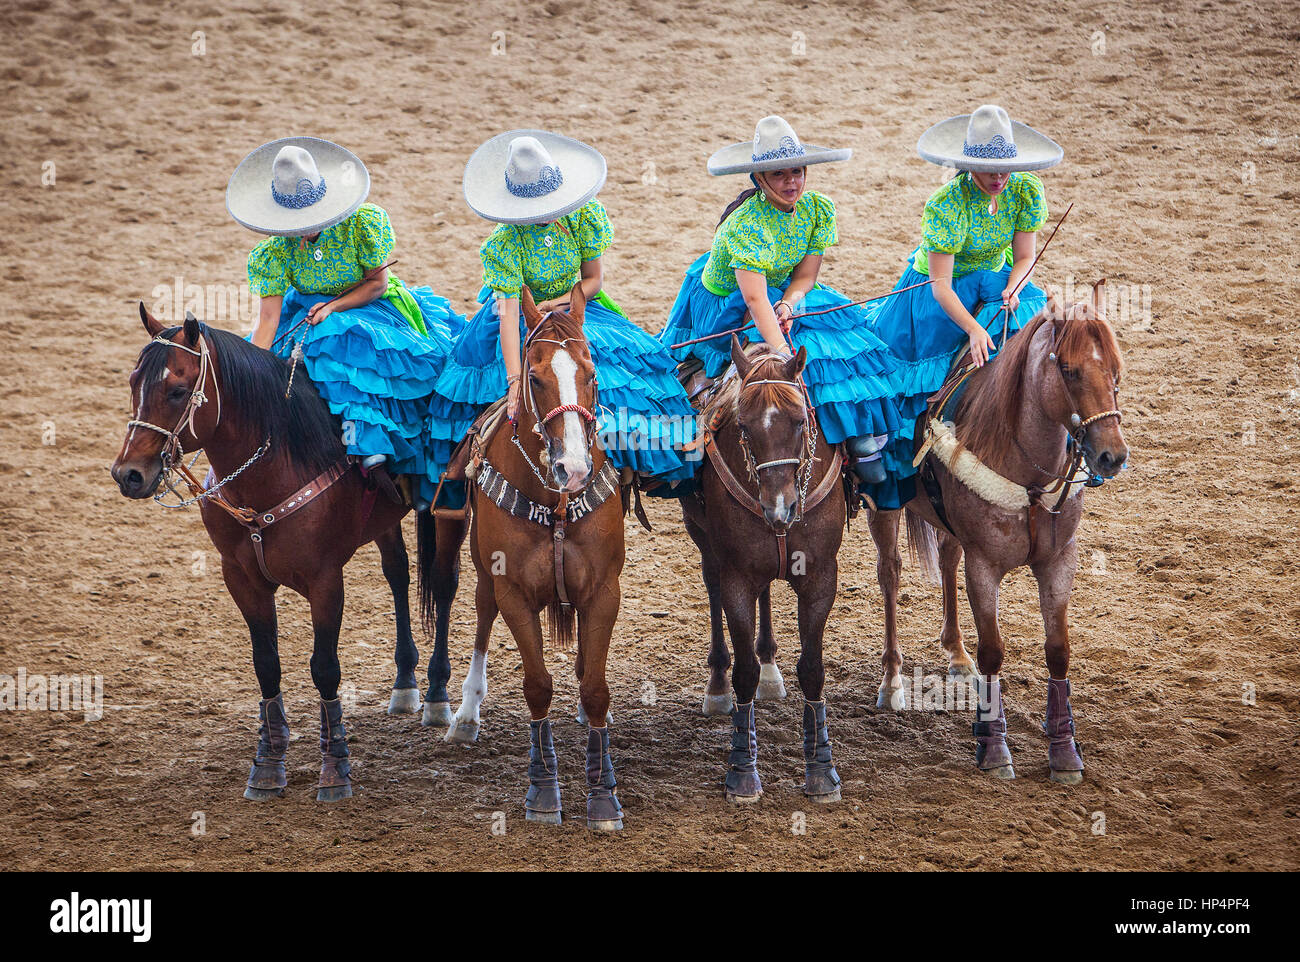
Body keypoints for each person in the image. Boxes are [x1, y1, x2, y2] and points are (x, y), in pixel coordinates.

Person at [432, 129, 696, 494]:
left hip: (574, 308)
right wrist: (513, 381)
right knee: (492, 396)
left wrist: (558, 306)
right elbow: (508, 315)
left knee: (610, 370)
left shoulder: (582, 217)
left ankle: (631, 461)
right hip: (515, 320)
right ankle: (467, 478)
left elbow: (592, 282)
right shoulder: (505, 243)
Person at [659, 115, 900, 483]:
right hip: (731, 301)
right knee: (796, 351)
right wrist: (786, 360)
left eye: (797, 172)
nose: (792, 182)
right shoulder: (745, 224)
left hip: (782, 289)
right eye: (780, 175)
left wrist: (789, 303)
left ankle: (859, 436)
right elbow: (754, 300)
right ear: (759, 179)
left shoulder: (816, 209)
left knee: (842, 344)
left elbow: (806, 276)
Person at [228, 137, 464, 510]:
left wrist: (335, 307)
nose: (304, 229)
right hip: (307, 310)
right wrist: (252, 372)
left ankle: (371, 444)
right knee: (282, 364)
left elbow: (378, 283)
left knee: (337, 341)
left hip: (370, 304)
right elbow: (269, 321)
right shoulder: (272, 252)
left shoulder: (361, 225)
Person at [863, 105, 1065, 508]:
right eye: (988, 168)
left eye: (1004, 167)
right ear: (969, 165)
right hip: (938, 295)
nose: (998, 177)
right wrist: (974, 328)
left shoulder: (1023, 190)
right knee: (910, 383)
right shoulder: (947, 204)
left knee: (1048, 358)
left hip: (996, 283)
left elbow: (1024, 256)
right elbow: (940, 287)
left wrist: (1015, 285)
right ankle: (899, 463)